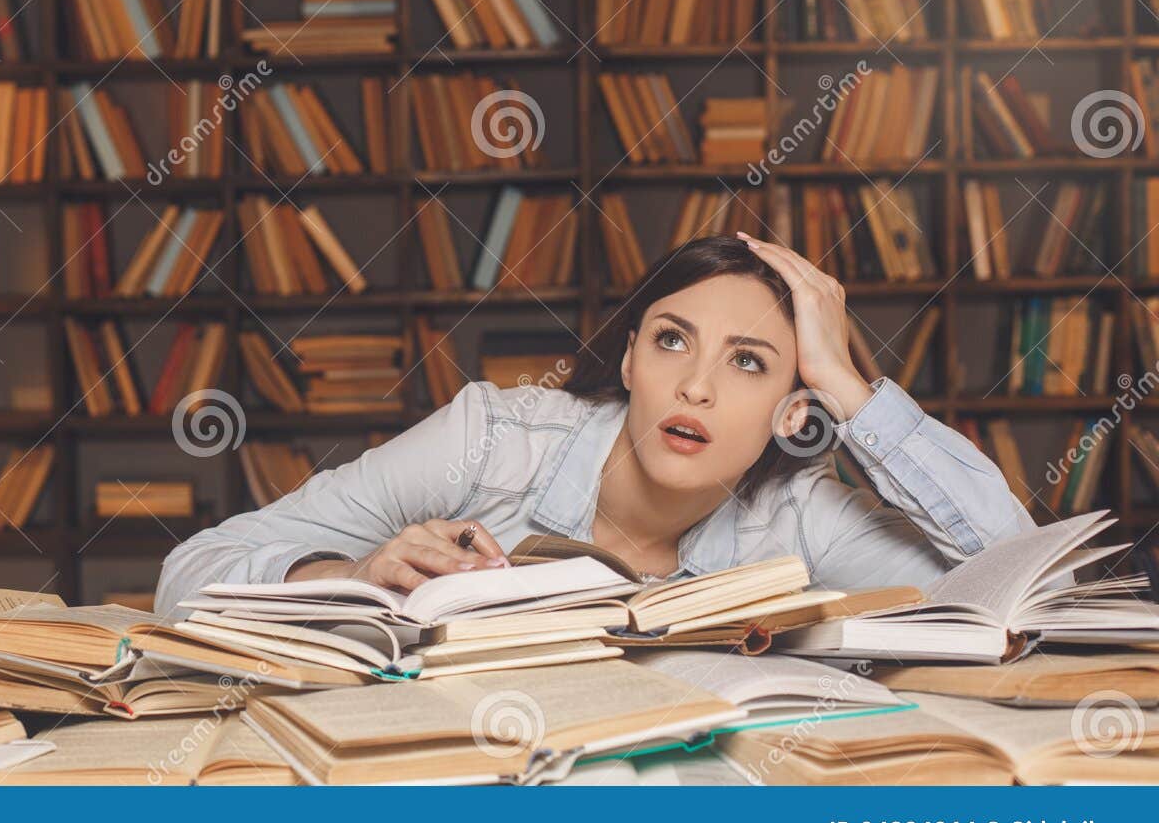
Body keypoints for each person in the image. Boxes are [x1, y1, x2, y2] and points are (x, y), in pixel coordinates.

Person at [155, 233, 1033, 614]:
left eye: (748, 363)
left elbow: (1014, 582)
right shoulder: (493, 439)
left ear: (793, 412)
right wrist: (350, 573)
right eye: (672, 340)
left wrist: (850, 382)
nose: (694, 386)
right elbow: (191, 571)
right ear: (627, 359)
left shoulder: (800, 518)